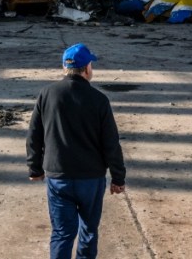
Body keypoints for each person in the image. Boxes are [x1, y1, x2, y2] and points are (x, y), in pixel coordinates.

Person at [26, 43, 127, 259]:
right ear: (87, 68)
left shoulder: (47, 94)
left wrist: (35, 168)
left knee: (63, 232)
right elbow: (111, 143)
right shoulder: (99, 100)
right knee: (88, 231)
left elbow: (34, 134)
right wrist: (118, 178)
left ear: (64, 67)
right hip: (90, 179)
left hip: (58, 176)